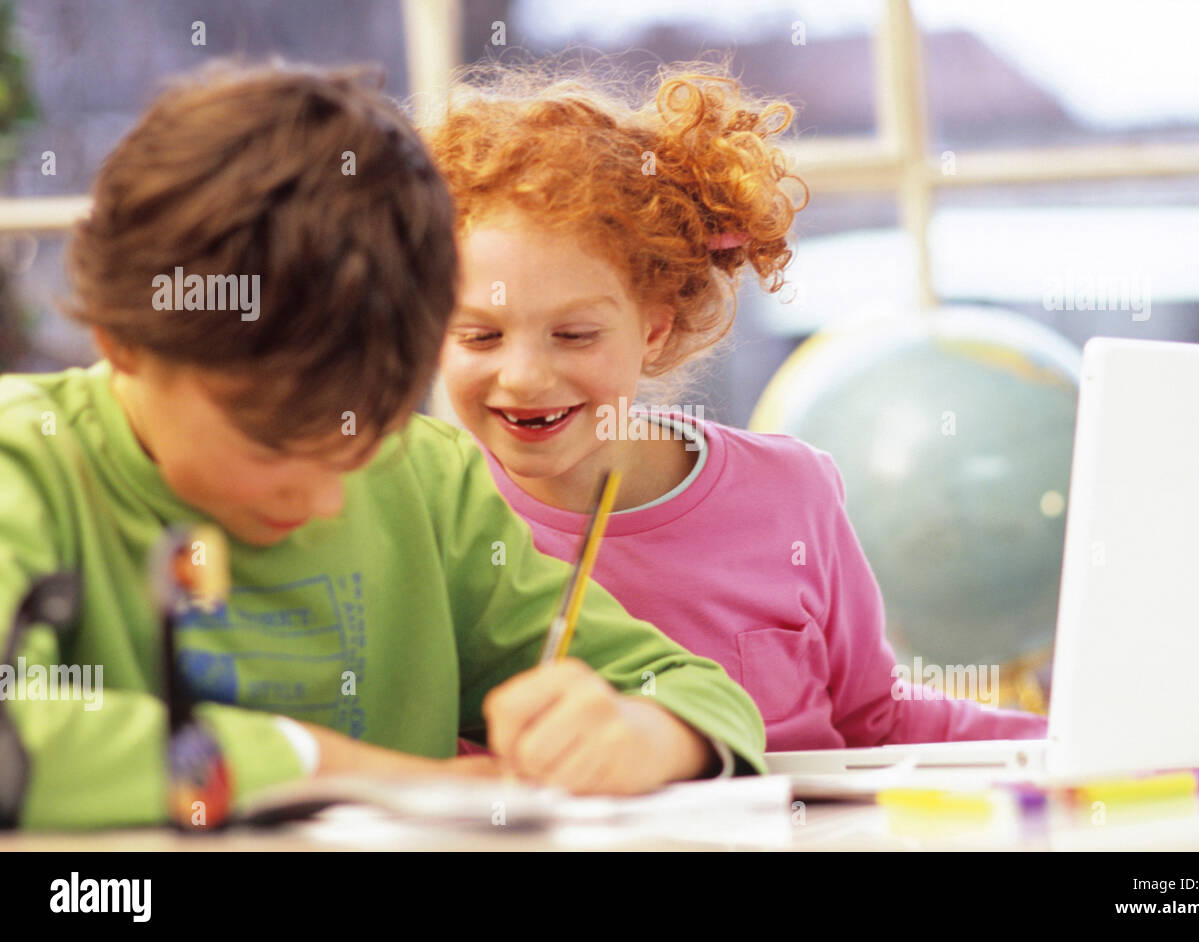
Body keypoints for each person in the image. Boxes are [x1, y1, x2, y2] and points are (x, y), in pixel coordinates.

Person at [0, 63, 766, 829]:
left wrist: (646, 734)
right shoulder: (25, 462)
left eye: (363, 436)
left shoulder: (430, 484)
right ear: (122, 339)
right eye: (271, 445)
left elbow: (691, 688)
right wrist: (340, 770)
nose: (325, 498)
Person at [425, 62, 1048, 751]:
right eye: (479, 335)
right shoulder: (432, 519)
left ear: (654, 328)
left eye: (574, 335)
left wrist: (1075, 741)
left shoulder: (790, 493)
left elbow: (876, 720)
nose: (525, 377)